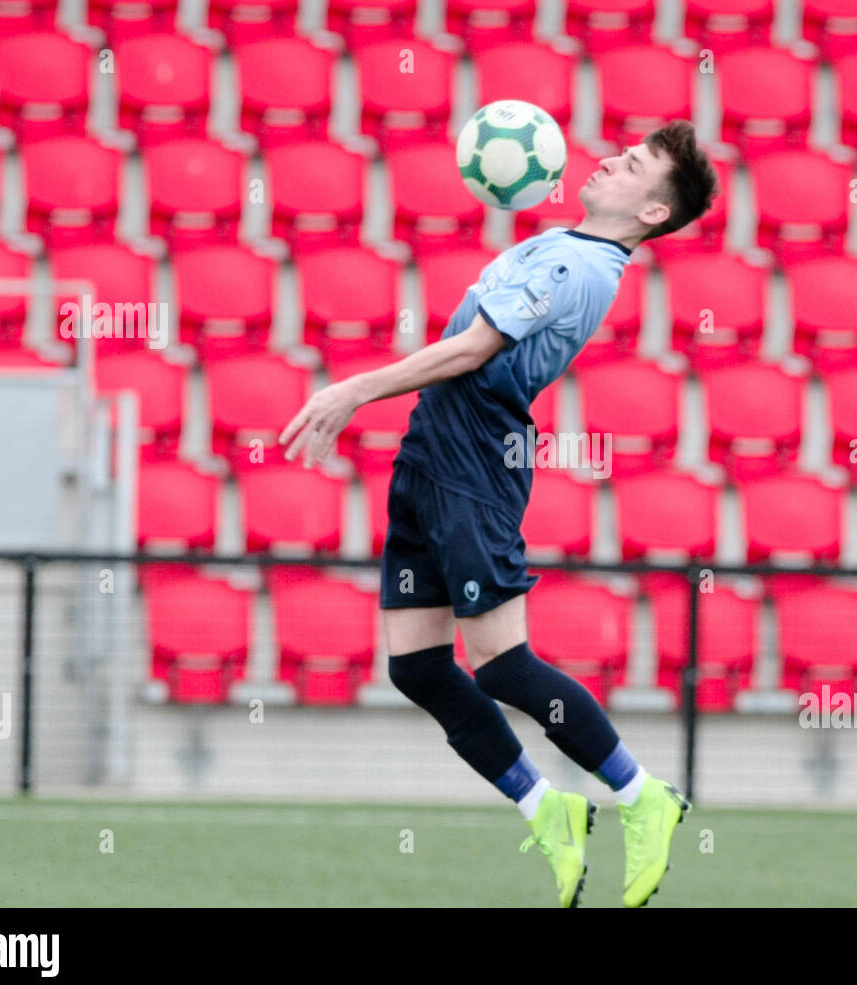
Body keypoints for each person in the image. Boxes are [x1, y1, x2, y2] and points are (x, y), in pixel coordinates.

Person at [280, 120, 720, 907]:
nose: (611, 158)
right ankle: (545, 804)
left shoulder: (573, 260)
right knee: (416, 666)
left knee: (502, 662)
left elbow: (468, 351)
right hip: (431, 454)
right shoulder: (568, 246)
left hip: (473, 461)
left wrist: (351, 389)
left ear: (654, 212)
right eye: (623, 150)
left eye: (633, 165)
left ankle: (639, 793)